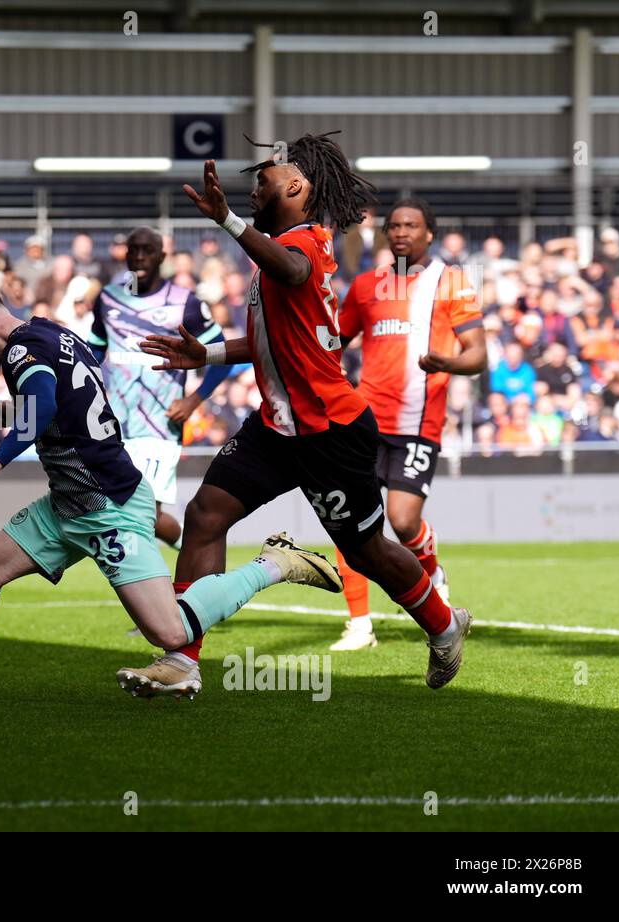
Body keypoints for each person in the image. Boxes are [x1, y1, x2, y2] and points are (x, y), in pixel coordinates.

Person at [0, 278, 341, 709]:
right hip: (69, 501)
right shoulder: (53, 332)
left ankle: (276, 563)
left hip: (106, 502)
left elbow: (44, 404)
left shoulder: (23, 353)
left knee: (170, 631)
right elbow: (65, 400)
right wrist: (12, 419)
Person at [138, 135, 472, 693]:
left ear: (295, 185)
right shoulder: (282, 246)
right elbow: (274, 339)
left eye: (266, 173)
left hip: (329, 430)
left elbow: (292, 272)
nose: (256, 182)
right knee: (204, 516)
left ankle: (443, 625)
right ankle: (182, 658)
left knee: (365, 553)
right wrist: (208, 354)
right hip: (276, 427)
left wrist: (226, 222)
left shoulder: (307, 243)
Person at [329, 198, 487, 651]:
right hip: (365, 422)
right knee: (349, 519)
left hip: (419, 423)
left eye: (411, 226)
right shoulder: (365, 286)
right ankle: (359, 625)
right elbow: (334, 342)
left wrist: (448, 362)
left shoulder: (452, 283)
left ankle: (432, 572)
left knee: (402, 521)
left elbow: (478, 355)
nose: (400, 232)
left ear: (429, 234)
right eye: (394, 225)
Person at [87, 226, 227, 547]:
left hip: (159, 423)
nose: (138, 257)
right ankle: (193, 549)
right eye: (132, 250)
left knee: (144, 513)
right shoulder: (108, 298)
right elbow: (94, 350)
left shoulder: (185, 304)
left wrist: (194, 400)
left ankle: (195, 551)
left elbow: (223, 355)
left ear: (162, 256)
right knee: (115, 508)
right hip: (113, 423)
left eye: (147, 250)